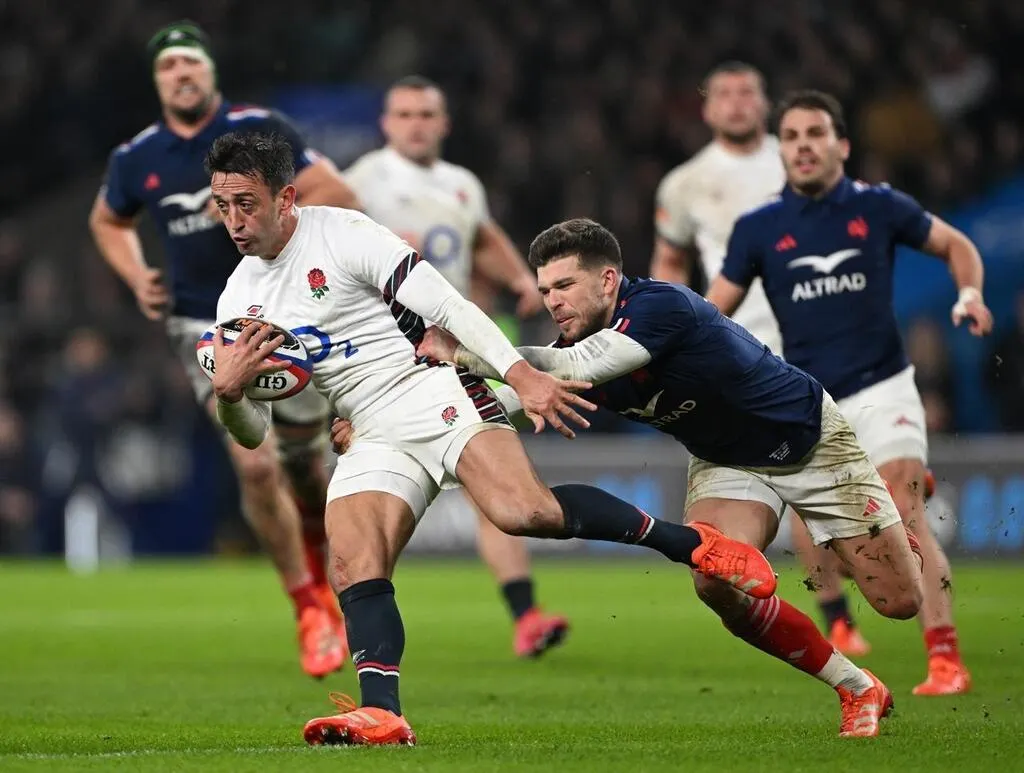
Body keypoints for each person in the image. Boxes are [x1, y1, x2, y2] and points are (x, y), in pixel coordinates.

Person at [202, 131, 777, 747]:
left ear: (287, 197)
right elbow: (252, 429)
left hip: (432, 387)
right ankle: (383, 714)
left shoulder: (343, 234)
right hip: (367, 426)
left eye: (246, 202)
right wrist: (231, 395)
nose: (234, 220)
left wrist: (520, 372)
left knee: (523, 511)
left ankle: (692, 544)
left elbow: (448, 307)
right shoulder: (239, 299)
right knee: (351, 561)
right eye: (222, 205)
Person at [408, 217, 925, 738]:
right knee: (714, 577)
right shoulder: (573, 348)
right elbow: (503, 400)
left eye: (565, 285)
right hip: (726, 461)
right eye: (544, 290)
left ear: (607, 280)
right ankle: (857, 687)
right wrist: (379, 425)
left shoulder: (660, 308)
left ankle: (878, 536)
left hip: (807, 441)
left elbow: (559, 369)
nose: (552, 301)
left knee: (899, 603)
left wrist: (462, 350)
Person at [87, 20, 359, 678]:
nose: (181, 73)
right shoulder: (137, 157)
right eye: (168, 65)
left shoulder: (259, 130)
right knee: (256, 466)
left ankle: (326, 565)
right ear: (157, 81)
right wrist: (136, 274)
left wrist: (256, 208)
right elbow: (107, 219)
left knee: (304, 468)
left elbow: (338, 193)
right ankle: (309, 605)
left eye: (192, 62)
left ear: (211, 72)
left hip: (280, 319)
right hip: (203, 329)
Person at [707, 89, 992, 696]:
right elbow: (711, 313)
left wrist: (969, 294)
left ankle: (945, 660)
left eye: (815, 134)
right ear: (780, 150)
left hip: (884, 387)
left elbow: (956, 246)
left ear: (842, 145)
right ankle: (841, 619)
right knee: (817, 525)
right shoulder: (759, 228)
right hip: (811, 402)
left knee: (905, 508)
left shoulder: (879, 207)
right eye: (791, 136)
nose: (803, 146)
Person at [341, 75, 566, 659]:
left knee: (493, 485)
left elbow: (482, 236)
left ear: (444, 123)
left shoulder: (461, 184)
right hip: (381, 362)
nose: (416, 123)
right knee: (372, 497)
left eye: (427, 114)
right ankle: (350, 610)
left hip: (446, 357)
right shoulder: (361, 181)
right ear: (387, 123)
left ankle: (526, 616)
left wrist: (520, 278)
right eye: (405, 113)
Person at [652, 62, 870, 655]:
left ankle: (874, 543)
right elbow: (669, 266)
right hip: (735, 353)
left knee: (832, 469)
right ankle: (836, 613)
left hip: (818, 335)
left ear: (765, 102)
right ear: (707, 107)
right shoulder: (684, 184)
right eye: (724, 93)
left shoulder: (800, 155)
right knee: (790, 464)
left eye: (748, 92)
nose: (737, 103)